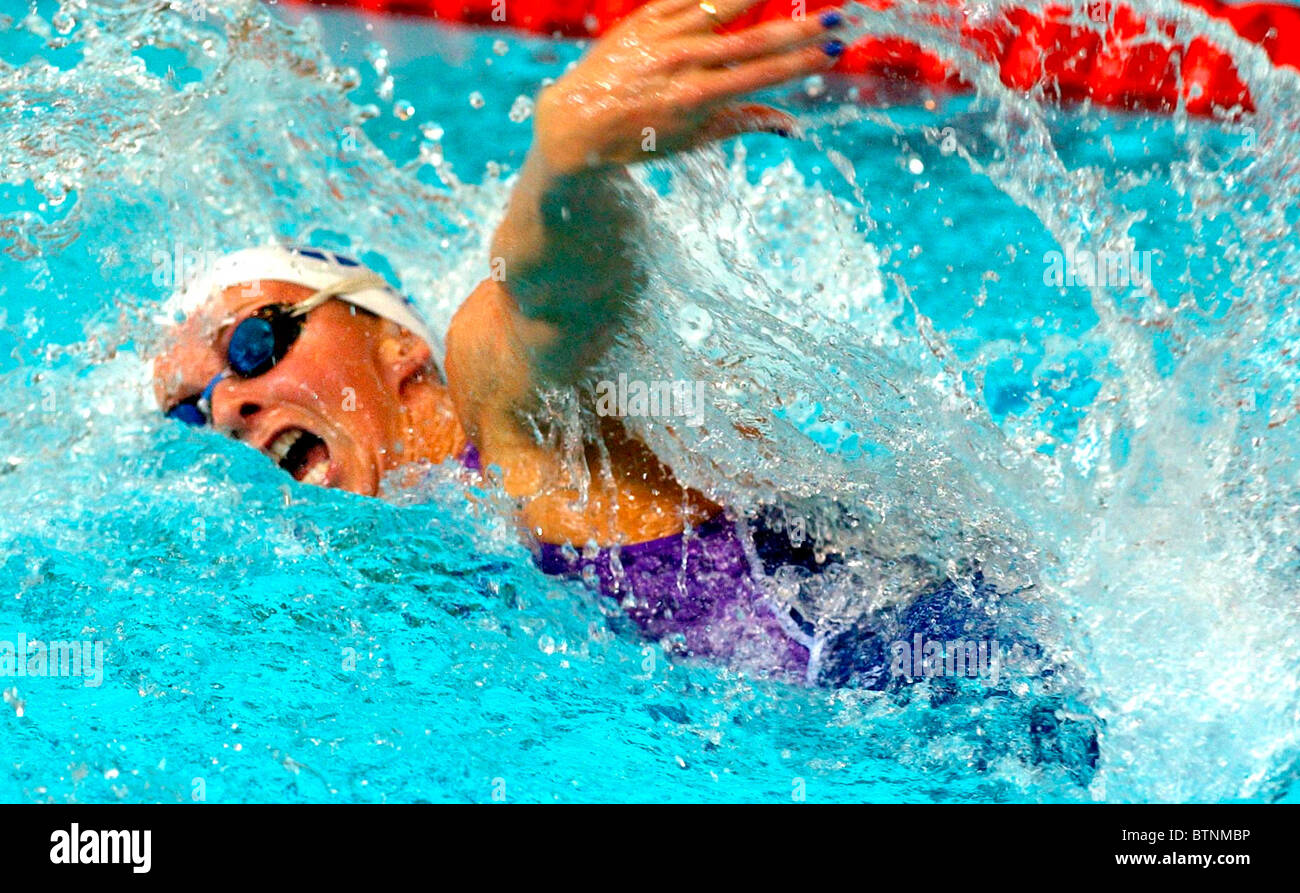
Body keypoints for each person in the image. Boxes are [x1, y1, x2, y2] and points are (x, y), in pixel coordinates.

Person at [153, 1, 1100, 783]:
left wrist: (564, 164)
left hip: (1011, 713)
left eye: (256, 342)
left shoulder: (500, 408)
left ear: (398, 347)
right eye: (190, 412)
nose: (229, 405)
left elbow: (552, 298)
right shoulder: (412, 566)